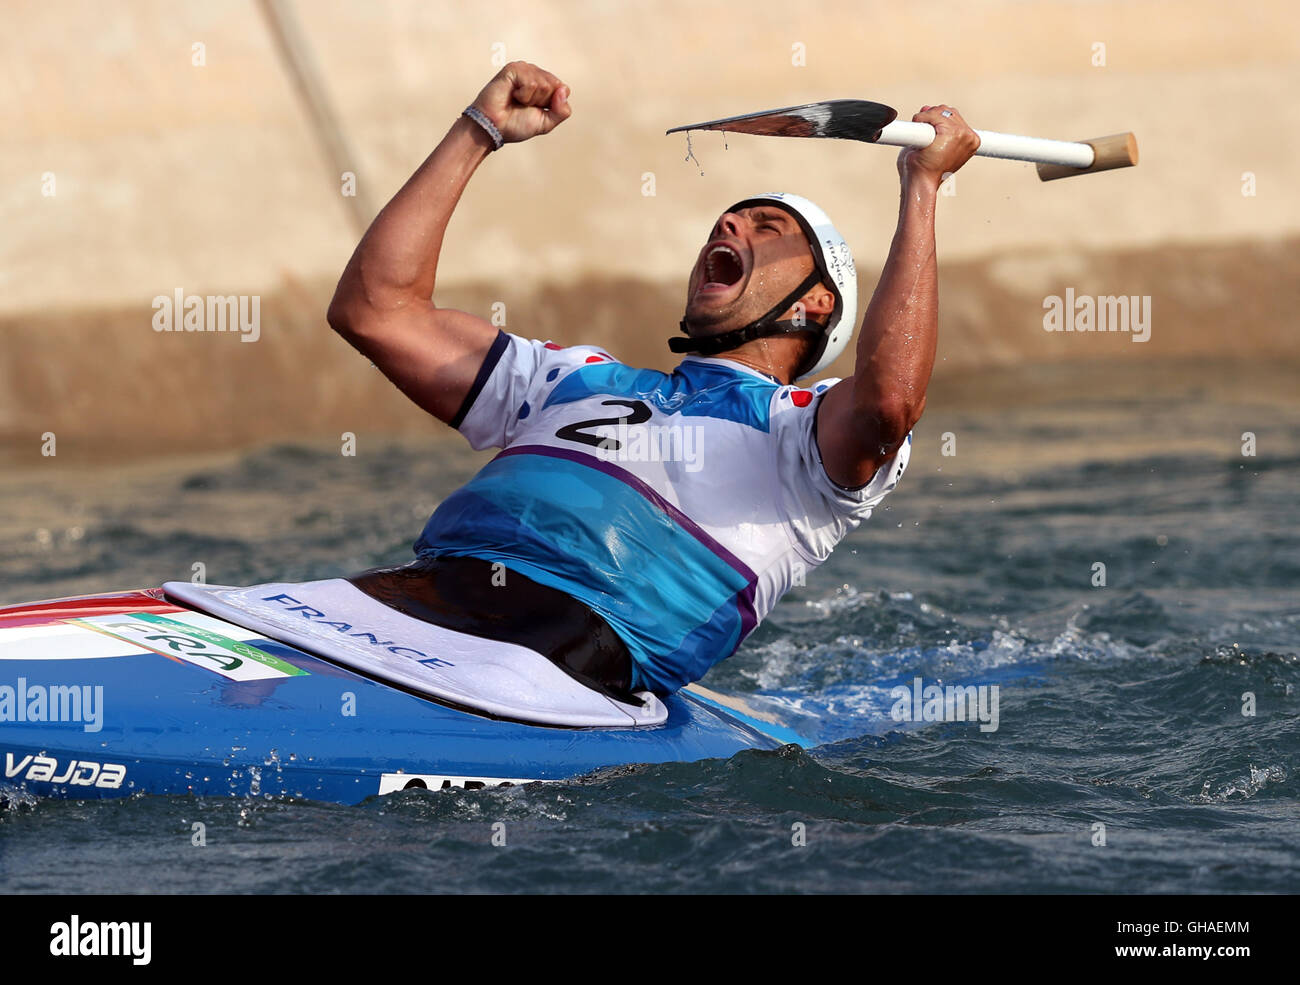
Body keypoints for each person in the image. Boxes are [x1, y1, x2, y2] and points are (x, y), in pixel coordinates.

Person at [327, 62, 980, 700]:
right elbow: (375, 311)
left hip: (559, 649)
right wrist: (479, 131)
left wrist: (921, 187)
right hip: (416, 589)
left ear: (816, 303)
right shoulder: (569, 377)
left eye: (766, 227)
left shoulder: (802, 430)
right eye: (730, 218)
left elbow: (891, 401)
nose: (726, 226)